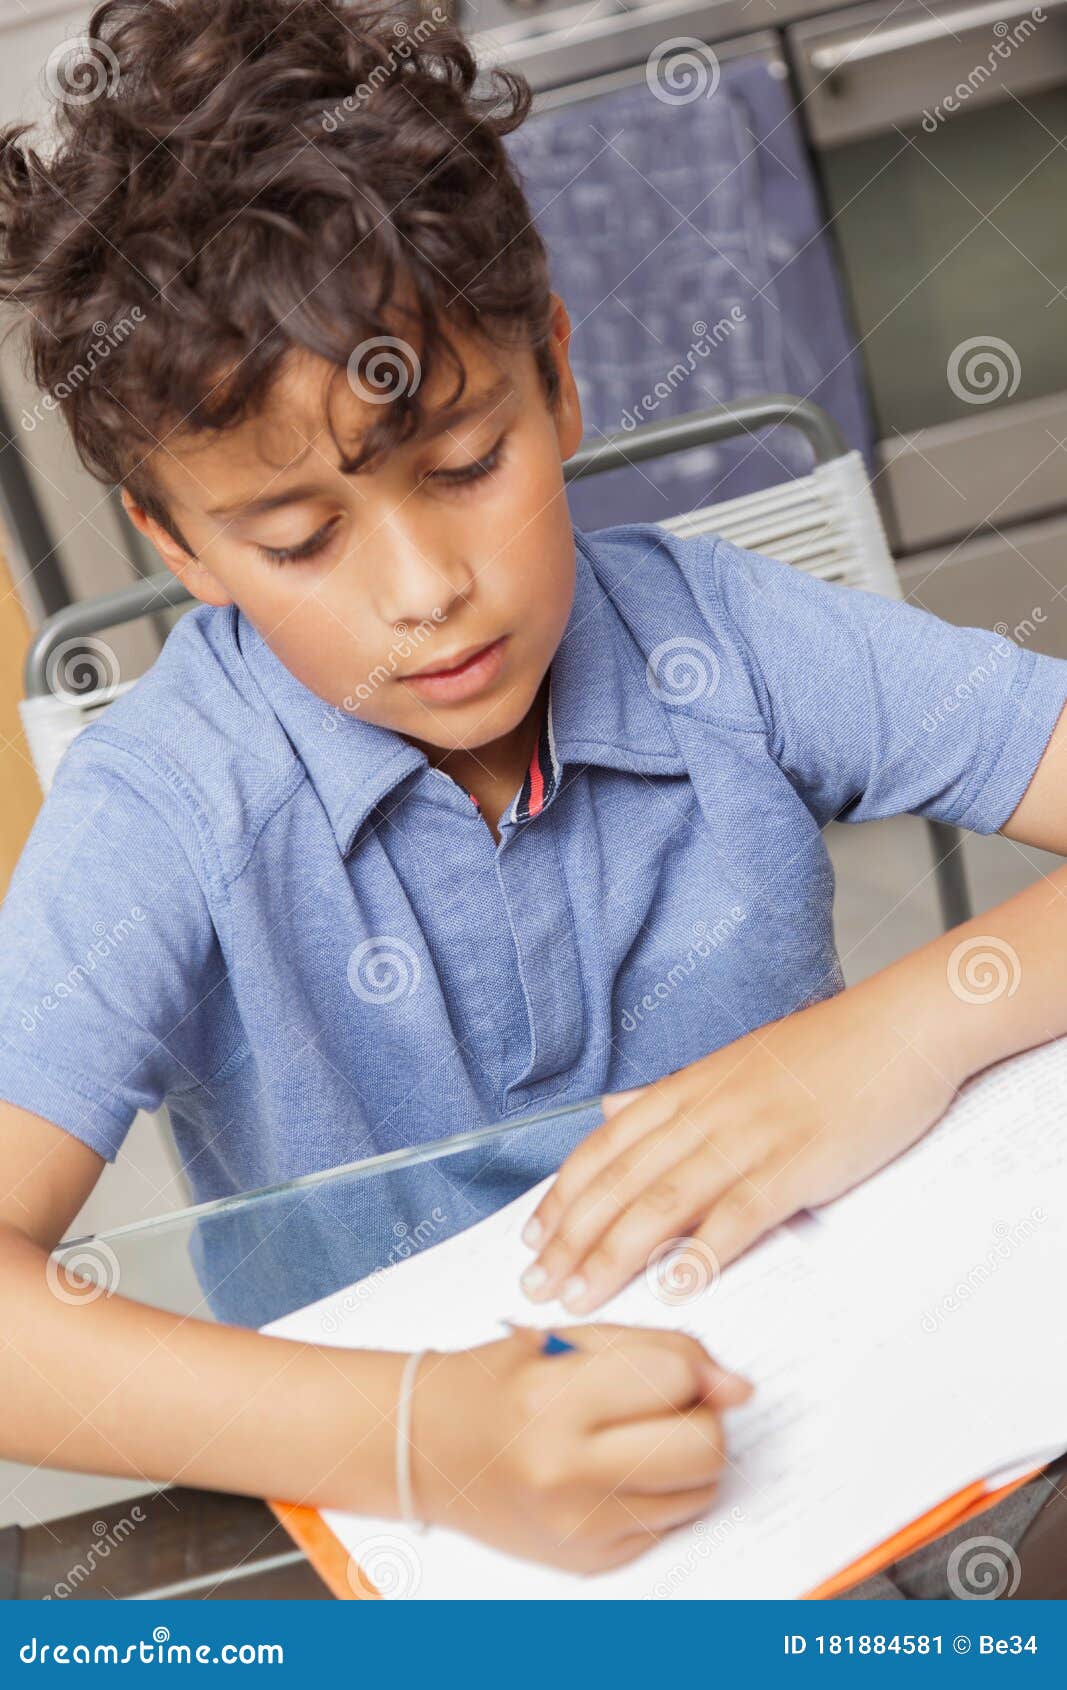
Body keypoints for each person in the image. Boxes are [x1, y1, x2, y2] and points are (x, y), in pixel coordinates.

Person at [0, 0, 1064, 1587]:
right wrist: (424, 1436)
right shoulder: (164, 811)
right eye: (297, 540)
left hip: (864, 1460)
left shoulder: (732, 639)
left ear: (557, 378)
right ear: (182, 547)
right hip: (428, 1545)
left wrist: (900, 1031)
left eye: (464, 461)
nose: (428, 589)